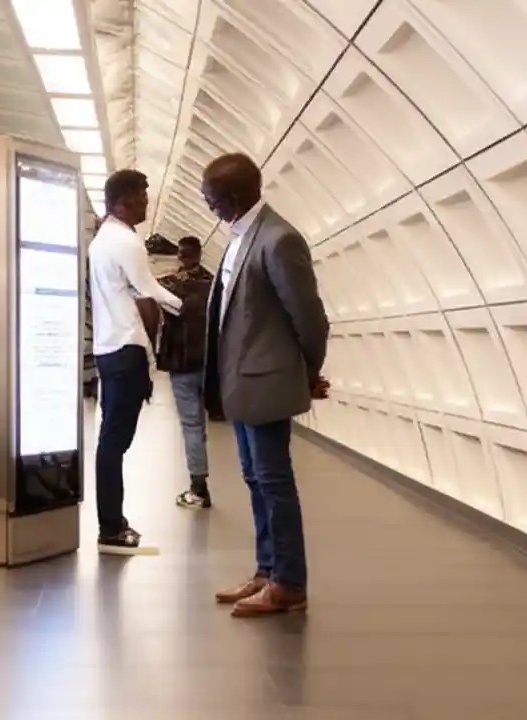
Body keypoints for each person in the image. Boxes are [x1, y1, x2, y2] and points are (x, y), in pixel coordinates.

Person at [200, 153, 329, 617]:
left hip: (266, 382)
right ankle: (266, 569)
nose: (208, 207)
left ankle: (289, 582)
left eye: (211, 199)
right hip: (241, 384)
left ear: (233, 198)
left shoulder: (279, 240)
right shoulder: (240, 238)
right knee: (256, 480)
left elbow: (310, 318)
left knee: (275, 483)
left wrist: (307, 374)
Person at [88, 169, 182, 553]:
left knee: (112, 441)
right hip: (125, 349)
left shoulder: (102, 240)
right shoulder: (126, 242)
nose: (146, 204)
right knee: (114, 443)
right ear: (123, 202)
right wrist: (187, 304)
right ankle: (110, 527)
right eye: (142, 198)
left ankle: (114, 520)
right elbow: (149, 289)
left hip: (110, 349)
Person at [154, 236, 215, 509]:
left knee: (192, 425)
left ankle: (199, 486)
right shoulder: (215, 284)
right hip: (210, 362)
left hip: (181, 362)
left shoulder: (169, 284)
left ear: (180, 256)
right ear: (201, 254)